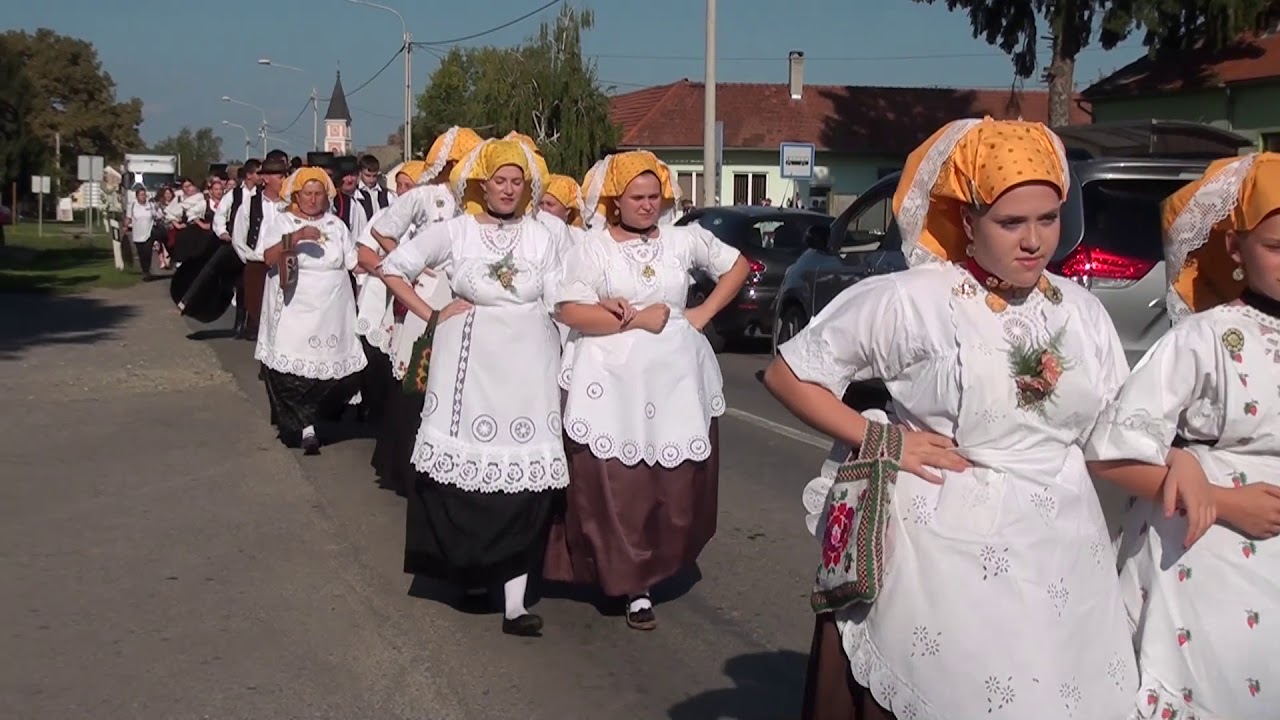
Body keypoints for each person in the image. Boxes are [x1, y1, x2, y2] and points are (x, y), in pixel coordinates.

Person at [760, 118, 1209, 719]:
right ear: (968, 222)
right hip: (944, 552)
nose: (1033, 241)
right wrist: (883, 439)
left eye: (1047, 220)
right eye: (1011, 222)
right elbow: (790, 375)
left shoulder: (1079, 310)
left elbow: (1113, 423)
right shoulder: (915, 300)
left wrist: (1176, 454)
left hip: (1063, 553)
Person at [1085, 152, 1280, 720]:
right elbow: (1108, 451)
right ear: (1235, 249)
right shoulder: (1207, 338)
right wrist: (1220, 501)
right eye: (1275, 247)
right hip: (1206, 560)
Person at [544, 150, 749, 629]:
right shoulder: (595, 247)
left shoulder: (683, 240)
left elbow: (739, 266)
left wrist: (701, 314)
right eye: (637, 197)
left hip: (673, 379)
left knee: (671, 484)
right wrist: (632, 318)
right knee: (616, 483)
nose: (646, 205)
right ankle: (630, 580)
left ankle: (651, 568)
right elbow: (568, 309)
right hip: (610, 381)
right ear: (616, 200)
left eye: (654, 196)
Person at [379, 138, 568, 636]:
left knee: (526, 484)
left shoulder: (544, 237)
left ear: (528, 187)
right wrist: (433, 313)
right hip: (468, 365)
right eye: (499, 181)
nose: (508, 190)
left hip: (528, 368)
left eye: (516, 182)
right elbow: (393, 267)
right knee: (466, 478)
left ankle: (514, 604)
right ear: (482, 185)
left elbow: (563, 297)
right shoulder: (455, 231)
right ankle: (469, 572)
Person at [254, 166, 366, 455]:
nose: (313, 199)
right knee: (295, 369)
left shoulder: (336, 225)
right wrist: (298, 236)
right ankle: (305, 428)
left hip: (331, 311)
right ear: (297, 195)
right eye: (308, 194)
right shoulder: (283, 221)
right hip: (295, 309)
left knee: (331, 372)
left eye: (319, 194)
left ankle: (313, 419)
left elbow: (353, 261)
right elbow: (267, 257)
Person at [231, 152, 289, 342]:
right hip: (257, 263)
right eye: (280, 177)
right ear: (266, 178)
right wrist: (250, 259)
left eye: (285, 176)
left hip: (283, 262)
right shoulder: (250, 203)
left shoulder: (289, 204)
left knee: (283, 308)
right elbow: (238, 236)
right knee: (256, 307)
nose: (284, 181)